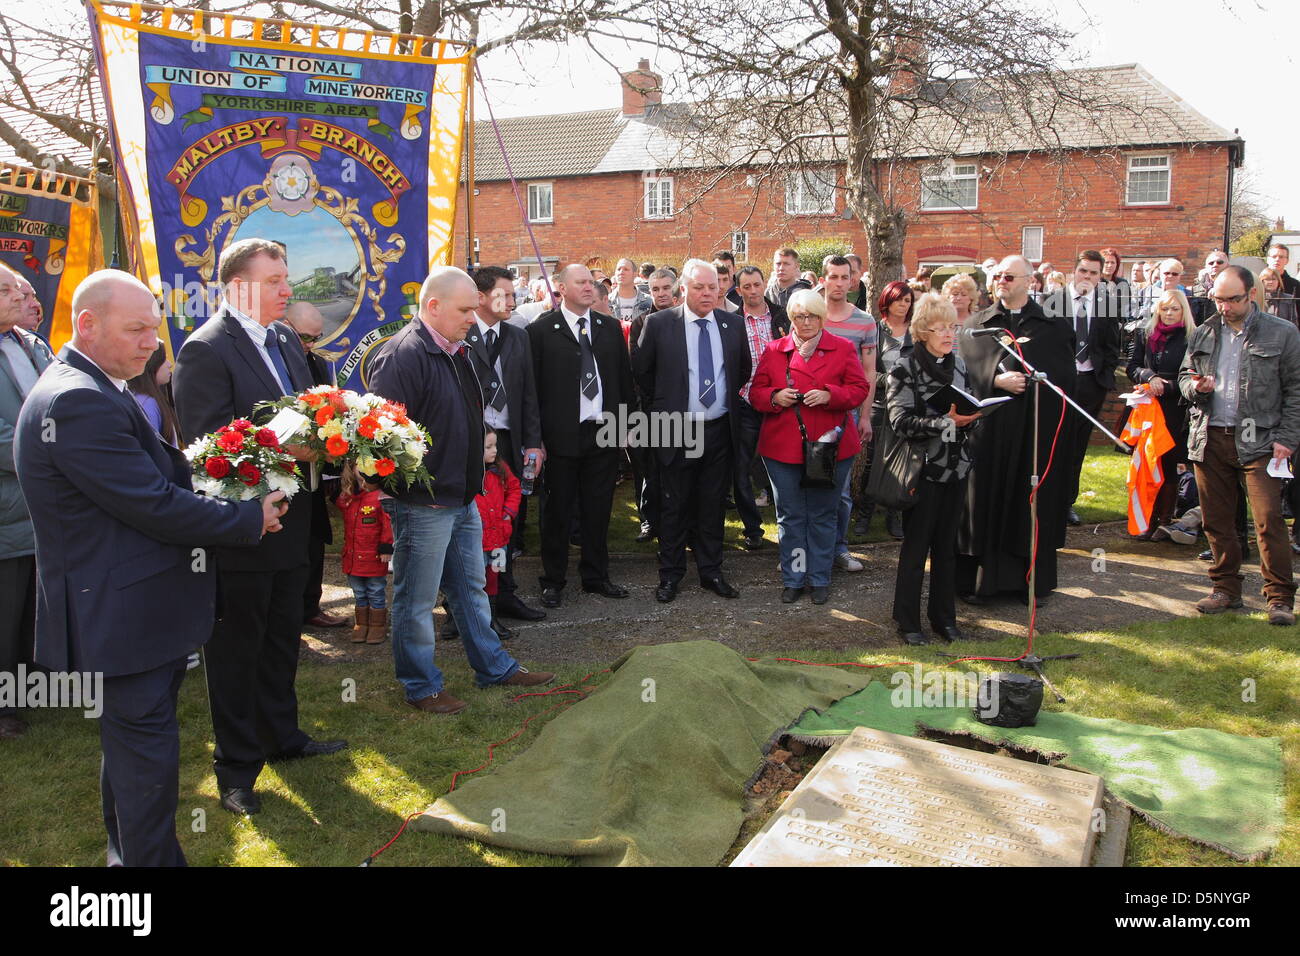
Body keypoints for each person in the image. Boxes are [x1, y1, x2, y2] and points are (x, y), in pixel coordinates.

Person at [15, 269, 282, 864]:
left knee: (136, 752)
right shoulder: (78, 400)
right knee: (147, 763)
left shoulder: (91, 386)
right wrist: (245, 518)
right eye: (135, 329)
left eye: (152, 329)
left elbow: (153, 486)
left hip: (127, 609)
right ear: (86, 323)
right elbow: (152, 505)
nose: (149, 343)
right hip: (122, 614)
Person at [172, 238, 346, 816]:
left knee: (280, 637)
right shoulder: (205, 349)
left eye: (285, 278)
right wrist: (284, 453)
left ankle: (283, 738)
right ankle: (237, 769)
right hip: (244, 527)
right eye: (274, 280)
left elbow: (301, 413)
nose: (287, 289)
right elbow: (207, 449)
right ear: (236, 285)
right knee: (236, 648)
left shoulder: (283, 341)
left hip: (291, 522)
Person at [367, 265, 554, 714]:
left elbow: (470, 415)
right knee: (416, 600)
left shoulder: (459, 351)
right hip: (424, 503)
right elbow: (378, 442)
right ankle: (421, 685)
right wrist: (417, 490)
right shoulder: (402, 357)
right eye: (466, 308)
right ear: (433, 306)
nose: (475, 316)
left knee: (470, 588)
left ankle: (494, 667)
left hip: (461, 496)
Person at [1179, 266, 1300, 624]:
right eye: (1218, 299)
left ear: (1251, 295)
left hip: (1260, 439)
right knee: (1217, 521)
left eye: (1233, 299)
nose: (1225, 306)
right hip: (1210, 434)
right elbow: (1185, 377)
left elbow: (1295, 390)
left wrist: (1287, 439)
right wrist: (1195, 387)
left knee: (1268, 521)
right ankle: (1225, 589)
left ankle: (1279, 598)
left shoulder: (1282, 333)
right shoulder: (1203, 332)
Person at [957, 255, 1077, 604]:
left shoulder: (1052, 327)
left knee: (1030, 505)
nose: (1002, 281)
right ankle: (981, 584)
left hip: (1032, 433)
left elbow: (1067, 379)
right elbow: (963, 373)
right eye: (997, 276)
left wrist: (1034, 383)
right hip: (990, 434)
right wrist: (995, 379)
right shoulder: (977, 325)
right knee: (986, 502)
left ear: (1030, 281)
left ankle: (1031, 584)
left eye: (1009, 276)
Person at [634, 258, 750, 603]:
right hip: (675, 429)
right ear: (684, 288)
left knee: (712, 505)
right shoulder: (658, 324)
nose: (707, 293)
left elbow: (741, 370)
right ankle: (670, 575)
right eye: (699, 287)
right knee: (674, 505)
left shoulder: (732, 324)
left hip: (718, 430)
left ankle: (711, 572)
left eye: (713, 286)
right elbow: (642, 373)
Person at [749, 289, 869, 604]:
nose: (806, 322)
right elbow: (756, 393)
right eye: (800, 316)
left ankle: (819, 579)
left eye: (813, 316)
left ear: (822, 317)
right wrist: (775, 396)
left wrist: (831, 395)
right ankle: (795, 577)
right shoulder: (775, 350)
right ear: (791, 318)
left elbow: (859, 389)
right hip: (783, 449)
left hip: (829, 447)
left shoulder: (841, 348)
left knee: (822, 514)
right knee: (790, 516)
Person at [527, 264, 634, 607]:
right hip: (559, 438)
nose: (589, 287)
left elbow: (622, 382)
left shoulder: (609, 327)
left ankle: (596, 576)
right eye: (581, 282)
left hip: (602, 435)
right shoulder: (541, 331)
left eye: (591, 282)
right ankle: (553, 580)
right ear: (560, 288)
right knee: (557, 512)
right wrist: (536, 437)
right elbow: (532, 390)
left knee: (598, 509)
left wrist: (624, 427)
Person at [887, 294, 980, 644]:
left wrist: (970, 419)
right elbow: (900, 421)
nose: (948, 334)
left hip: (956, 468)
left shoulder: (958, 364)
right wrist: (943, 421)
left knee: (946, 548)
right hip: (922, 470)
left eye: (952, 327)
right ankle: (908, 622)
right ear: (923, 331)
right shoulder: (905, 366)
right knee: (916, 548)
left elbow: (968, 407)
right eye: (940, 327)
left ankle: (944, 619)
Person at [466, 266, 547, 622]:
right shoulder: (460, 334)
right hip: (472, 442)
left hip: (511, 441)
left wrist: (534, 443)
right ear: (480, 297)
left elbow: (530, 393)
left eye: (514, 294)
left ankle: (506, 593)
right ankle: (464, 604)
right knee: (471, 523)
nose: (513, 301)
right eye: (505, 294)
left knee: (508, 519)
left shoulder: (518, 337)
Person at [0, 262, 54, 740]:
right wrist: (40, 455)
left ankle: (39, 683)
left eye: (20, 290)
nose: (20, 298)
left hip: (43, 504)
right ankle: (3, 709)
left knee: (38, 599)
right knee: (6, 604)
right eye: (7, 291)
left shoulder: (34, 344)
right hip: (8, 506)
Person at [1040, 250, 1122, 526]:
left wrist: (1105, 375)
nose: (1087, 277)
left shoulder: (1107, 303)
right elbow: (1045, 344)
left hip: (1090, 382)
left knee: (1077, 445)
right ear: (1074, 271)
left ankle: (1067, 503)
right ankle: (1046, 498)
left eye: (1094, 273)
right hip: (1060, 382)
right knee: (1053, 442)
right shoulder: (1054, 301)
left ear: (1101, 276)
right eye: (1083, 271)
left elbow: (1112, 345)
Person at [282, 299, 348, 630]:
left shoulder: (320, 364)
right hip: (283, 467)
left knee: (315, 536)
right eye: (304, 337)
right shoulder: (274, 360)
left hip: (315, 468)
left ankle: (311, 605)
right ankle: (288, 610)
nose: (309, 345)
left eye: (316, 338)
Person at [821, 255, 877, 570]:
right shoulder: (808, 315)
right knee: (808, 482)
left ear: (853, 279)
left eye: (845, 277)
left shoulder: (865, 322)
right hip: (810, 413)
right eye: (834, 276)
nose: (840, 283)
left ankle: (839, 547)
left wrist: (865, 416)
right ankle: (805, 547)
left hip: (848, 414)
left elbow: (869, 372)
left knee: (840, 488)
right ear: (824, 279)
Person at [1127, 289, 1195, 536]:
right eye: (1164, 308)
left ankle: (1164, 520)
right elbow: (1132, 366)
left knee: (1168, 465)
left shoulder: (1191, 337)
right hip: (1147, 405)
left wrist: (1167, 387)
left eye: (1174, 309)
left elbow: (1193, 374)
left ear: (1183, 311)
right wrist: (1149, 376)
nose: (1168, 313)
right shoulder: (1145, 334)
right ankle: (1145, 518)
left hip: (1175, 407)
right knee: (1145, 462)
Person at [732, 265, 789, 549]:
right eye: (746, 287)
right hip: (744, 402)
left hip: (780, 402)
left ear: (764, 284)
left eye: (757, 285)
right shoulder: (730, 320)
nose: (753, 291)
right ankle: (753, 529)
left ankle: (787, 526)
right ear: (738, 290)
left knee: (783, 468)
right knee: (740, 468)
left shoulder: (783, 315)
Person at [856, 280, 913, 539]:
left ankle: (895, 515)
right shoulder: (875, 330)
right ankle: (864, 515)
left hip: (908, 407)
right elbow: (866, 370)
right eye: (899, 299)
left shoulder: (916, 332)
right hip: (879, 403)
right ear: (887, 301)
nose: (904, 304)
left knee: (901, 463)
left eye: (908, 300)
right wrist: (888, 380)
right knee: (871, 462)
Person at [335, 463, 393, 644]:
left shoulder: (380, 497)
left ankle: (377, 625)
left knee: (375, 590)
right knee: (359, 591)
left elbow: (388, 523)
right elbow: (340, 504)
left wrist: (386, 546)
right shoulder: (350, 497)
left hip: (373, 556)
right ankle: (362, 623)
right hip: (353, 556)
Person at [476, 427, 521, 640]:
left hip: (498, 539)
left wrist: (507, 515)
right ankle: (468, 619)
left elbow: (514, 488)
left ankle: (492, 618)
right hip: (476, 541)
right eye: (488, 447)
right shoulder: (468, 474)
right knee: (474, 580)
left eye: (495, 445)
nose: (494, 450)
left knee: (493, 577)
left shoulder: (501, 468)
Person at [611, 257, 655, 329]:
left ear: (635, 274)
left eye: (626, 269)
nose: (621, 272)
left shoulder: (649, 302)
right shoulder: (606, 302)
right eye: (619, 269)